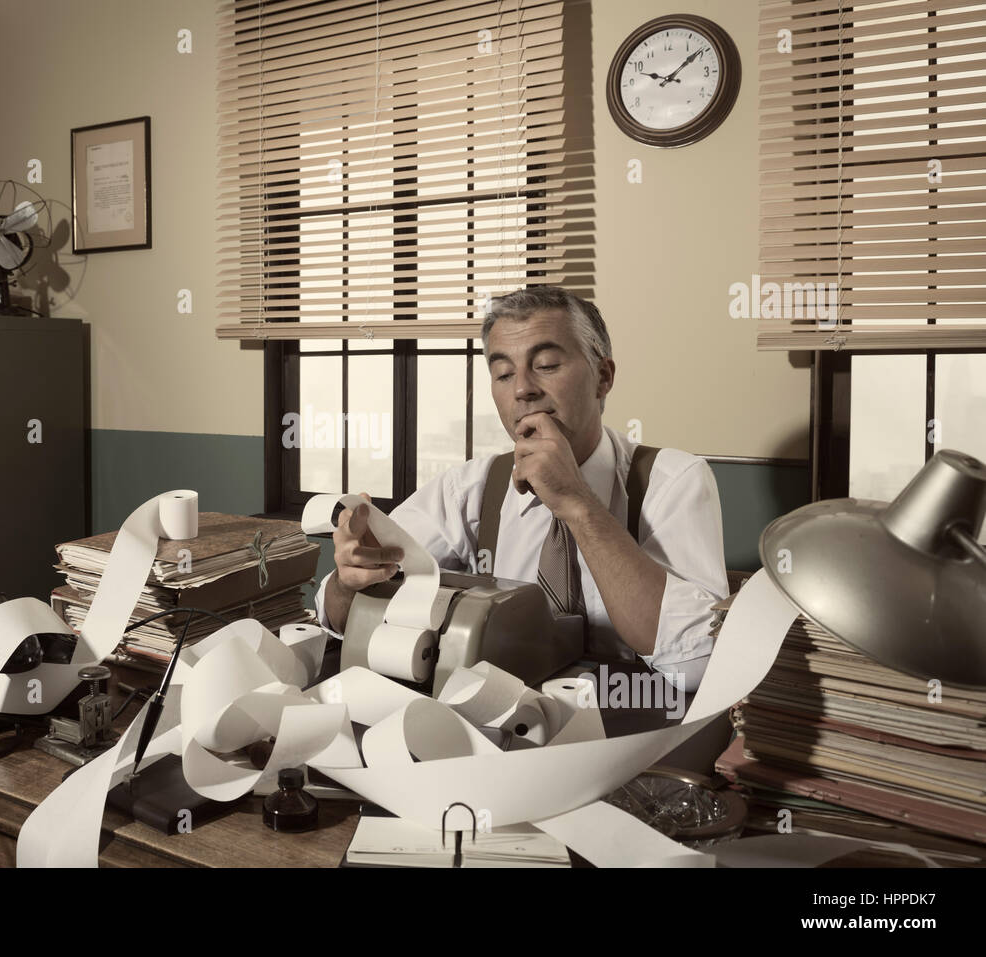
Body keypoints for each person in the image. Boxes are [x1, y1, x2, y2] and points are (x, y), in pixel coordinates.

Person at [312, 285, 729, 692]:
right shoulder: (469, 489)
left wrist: (578, 505)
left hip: (633, 728)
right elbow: (338, 616)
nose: (522, 388)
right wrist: (348, 582)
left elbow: (698, 663)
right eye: (503, 373)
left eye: (546, 365)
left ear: (603, 377)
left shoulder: (673, 481)